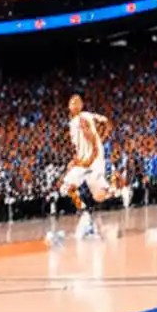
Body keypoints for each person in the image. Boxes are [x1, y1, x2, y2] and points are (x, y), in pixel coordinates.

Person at [60, 94, 112, 239]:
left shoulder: (81, 119)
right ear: (68, 106)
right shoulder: (81, 118)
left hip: (92, 160)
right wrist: (75, 160)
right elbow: (106, 122)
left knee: (99, 195)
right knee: (68, 187)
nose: (74, 104)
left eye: (77, 102)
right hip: (84, 159)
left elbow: (94, 136)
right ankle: (85, 212)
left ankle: (114, 190)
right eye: (72, 102)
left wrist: (93, 153)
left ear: (81, 105)